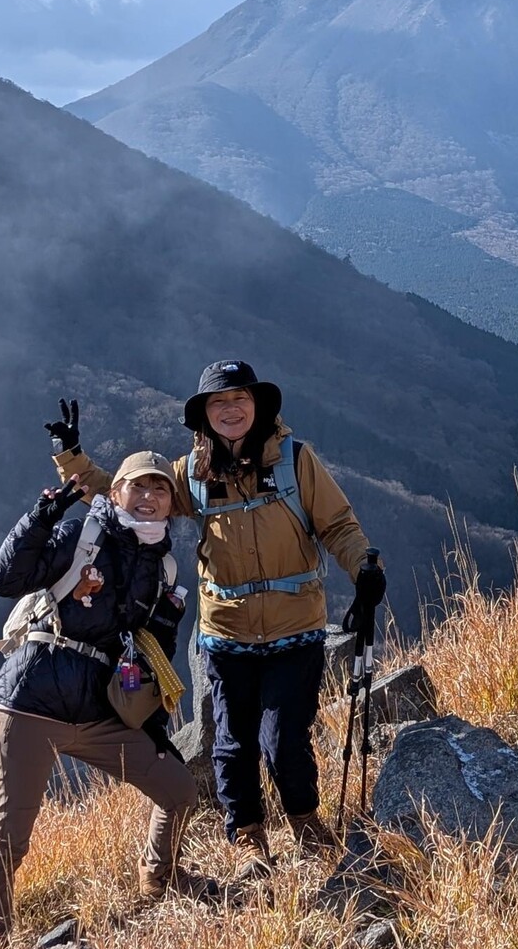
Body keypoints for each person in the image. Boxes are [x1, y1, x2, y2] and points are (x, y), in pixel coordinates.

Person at [48, 361, 386, 878]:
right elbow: (129, 499)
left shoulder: (296, 461)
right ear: (204, 417)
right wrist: (71, 456)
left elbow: (337, 524)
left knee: (283, 740)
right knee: (231, 742)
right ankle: (248, 835)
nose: (231, 410)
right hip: (227, 634)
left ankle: (303, 821)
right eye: (218, 403)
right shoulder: (192, 475)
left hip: (296, 630)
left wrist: (365, 567)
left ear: (258, 406)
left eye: (239, 400)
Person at [0, 452, 213, 943]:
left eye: (160, 489)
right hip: (32, 701)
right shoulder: (82, 535)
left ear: (171, 503)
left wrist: (165, 629)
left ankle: (159, 878)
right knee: (11, 832)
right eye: (137, 487)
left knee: (178, 788)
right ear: (115, 491)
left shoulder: (162, 566)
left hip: (101, 711)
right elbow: (5, 580)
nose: (148, 498)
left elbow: (146, 653)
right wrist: (41, 517)